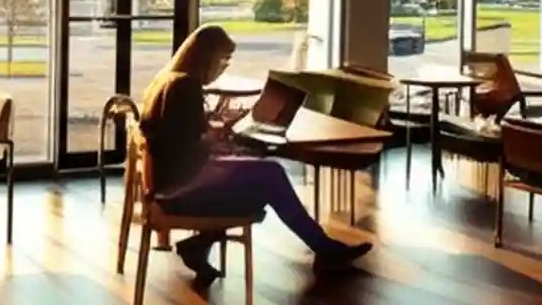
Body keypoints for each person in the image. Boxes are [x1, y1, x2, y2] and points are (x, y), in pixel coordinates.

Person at [139, 23, 371, 286]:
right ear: (207, 56)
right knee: (270, 175)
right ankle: (325, 249)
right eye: (223, 59)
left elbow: (179, 136)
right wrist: (218, 137)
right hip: (180, 189)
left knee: (260, 181)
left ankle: (201, 244)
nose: (225, 66)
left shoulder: (168, 80)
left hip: (168, 183)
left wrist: (216, 133)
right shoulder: (186, 86)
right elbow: (193, 144)